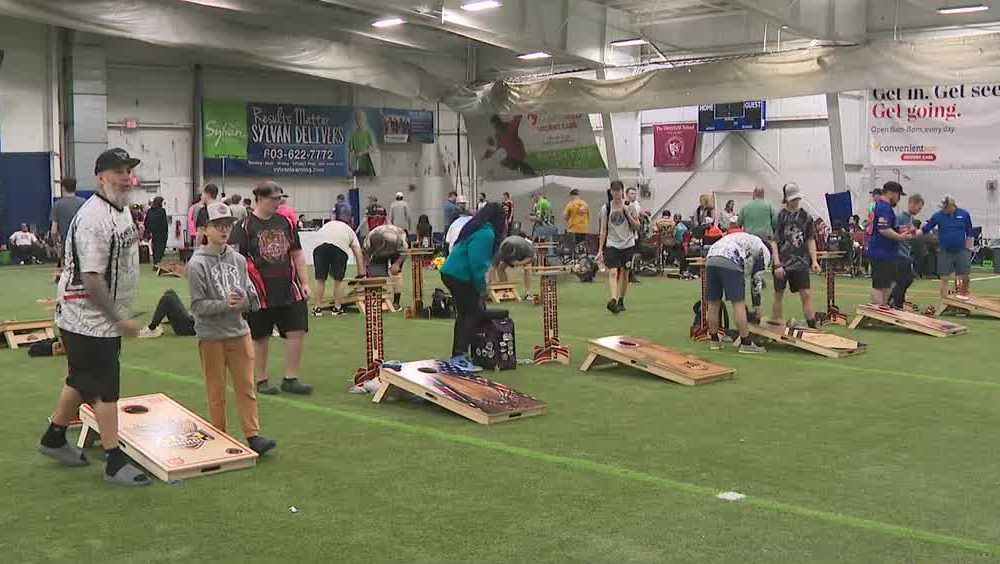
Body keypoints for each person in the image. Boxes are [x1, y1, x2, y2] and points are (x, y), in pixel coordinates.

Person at [40, 147, 150, 486]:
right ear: (101, 177)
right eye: (118, 172)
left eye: (128, 171)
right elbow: (91, 278)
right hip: (87, 316)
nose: (126, 177)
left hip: (97, 315)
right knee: (104, 387)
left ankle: (54, 437)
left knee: (81, 378)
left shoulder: (122, 208)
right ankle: (114, 461)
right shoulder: (93, 218)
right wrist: (117, 319)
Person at [188, 202, 276, 455]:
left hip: (239, 332)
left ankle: (253, 435)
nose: (224, 230)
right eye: (218, 225)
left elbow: (252, 297)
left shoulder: (238, 260)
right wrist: (224, 305)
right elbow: (197, 306)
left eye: (227, 225)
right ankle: (220, 435)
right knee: (216, 390)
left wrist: (242, 302)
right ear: (205, 229)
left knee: (247, 387)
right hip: (211, 336)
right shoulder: (196, 264)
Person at [229, 181, 313, 396]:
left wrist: (304, 283)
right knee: (260, 336)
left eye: (279, 199)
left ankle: (291, 378)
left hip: (289, 287)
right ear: (259, 198)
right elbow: (235, 260)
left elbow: (297, 254)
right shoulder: (244, 226)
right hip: (259, 291)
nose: (278, 203)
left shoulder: (286, 222)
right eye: (273, 199)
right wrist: (239, 290)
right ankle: (261, 379)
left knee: (297, 330)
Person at [439, 203, 508, 371]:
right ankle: (459, 356)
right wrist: (482, 289)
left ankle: (458, 355)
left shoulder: (476, 227)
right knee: (472, 314)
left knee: (465, 314)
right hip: (460, 276)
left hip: (451, 273)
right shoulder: (486, 233)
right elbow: (477, 265)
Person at [704, 232, 771, 354]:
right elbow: (756, 280)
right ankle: (746, 343)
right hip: (730, 258)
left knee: (713, 303)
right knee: (738, 303)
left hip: (711, 258)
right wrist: (757, 307)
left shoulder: (747, 239)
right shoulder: (764, 251)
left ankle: (714, 341)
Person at [769, 183, 821, 328]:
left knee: (806, 294)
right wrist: (777, 263)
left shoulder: (806, 217)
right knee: (778, 294)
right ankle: (776, 324)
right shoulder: (780, 216)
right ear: (786, 199)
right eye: (792, 199)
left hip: (801, 262)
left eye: (797, 198)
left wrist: (814, 261)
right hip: (782, 262)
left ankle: (811, 324)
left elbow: (810, 239)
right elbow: (774, 241)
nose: (795, 201)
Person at [922, 195, 974, 311]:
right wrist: (915, 232)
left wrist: (969, 248)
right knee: (944, 277)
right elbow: (926, 228)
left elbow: (969, 231)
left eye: (945, 208)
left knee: (964, 276)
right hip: (945, 251)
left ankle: (963, 302)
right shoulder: (938, 215)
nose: (944, 210)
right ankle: (945, 302)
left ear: (952, 206)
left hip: (962, 250)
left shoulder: (964, 214)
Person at [866, 182, 912, 306]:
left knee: (887, 284)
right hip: (880, 251)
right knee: (879, 285)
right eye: (898, 196)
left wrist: (901, 230)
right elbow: (883, 229)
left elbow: (887, 227)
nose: (899, 199)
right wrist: (900, 237)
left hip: (886, 252)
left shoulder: (882, 207)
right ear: (892, 193)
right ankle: (877, 311)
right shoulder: (884, 208)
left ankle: (883, 308)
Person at [597, 181, 639, 314]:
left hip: (628, 243)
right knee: (613, 272)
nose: (616, 194)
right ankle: (613, 299)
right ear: (611, 192)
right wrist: (600, 249)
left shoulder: (630, 206)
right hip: (612, 244)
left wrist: (627, 213)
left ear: (622, 191)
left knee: (625, 273)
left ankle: (621, 299)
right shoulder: (606, 208)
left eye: (618, 191)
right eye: (614, 191)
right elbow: (603, 230)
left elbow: (637, 226)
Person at [312, 218, 366, 316]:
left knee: (320, 279)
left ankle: (317, 308)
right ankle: (337, 308)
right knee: (339, 280)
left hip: (319, 247)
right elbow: (358, 252)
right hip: (339, 248)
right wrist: (361, 274)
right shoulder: (351, 231)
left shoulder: (329, 224)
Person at [738, 187, 776, 316]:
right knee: (757, 276)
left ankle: (741, 305)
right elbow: (775, 223)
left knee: (744, 274)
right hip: (764, 244)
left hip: (748, 243)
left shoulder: (745, 207)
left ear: (753, 194)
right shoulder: (769, 206)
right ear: (763, 194)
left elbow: (738, 223)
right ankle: (757, 309)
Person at [889, 194, 925, 309]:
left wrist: (914, 233)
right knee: (904, 279)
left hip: (906, 252)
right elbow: (893, 232)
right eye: (918, 208)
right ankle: (896, 302)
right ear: (912, 203)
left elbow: (910, 235)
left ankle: (896, 300)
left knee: (907, 279)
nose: (919, 211)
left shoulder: (911, 219)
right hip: (898, 252)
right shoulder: (900, 218)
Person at [365, 224, 409, 310]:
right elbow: (365, 253)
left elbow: (405, 251)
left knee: (396, 273)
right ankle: (378, 299)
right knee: (375, 273)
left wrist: (397, 264)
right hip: (380, 250)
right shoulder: (367, 241)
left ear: (384, 242)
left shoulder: (397, 238)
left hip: (396, 249)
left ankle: (396, 303)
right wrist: (367, 265)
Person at [49, 177, 85, 266]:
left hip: (66, 244)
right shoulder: (84, 203)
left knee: (67, 270)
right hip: (83, 244)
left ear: (63, 188)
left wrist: (56, 245)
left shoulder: (58, 205)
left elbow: (54, 231)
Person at [488, 235, 535, 301]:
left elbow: (532, 258)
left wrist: (520, 263)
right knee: (501, 268)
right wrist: (493, 282)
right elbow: (493, 267)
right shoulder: (500, 251)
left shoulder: (524, 246)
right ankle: (505, 289)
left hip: (523, 255)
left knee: (527, 268)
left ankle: (528, 293)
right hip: (510, 252)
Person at [349, 110, 376, 177]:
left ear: (365, 119)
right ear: (355, 120)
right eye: (357, 118)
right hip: (356, 166)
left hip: (367, 166)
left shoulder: (368, 133)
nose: (359, 120)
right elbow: (350, 152)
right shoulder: (353, 134)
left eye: (361, 118)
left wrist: (362, 152)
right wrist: (350, 165)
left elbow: (373, 148)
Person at [144, 196, 169, 266]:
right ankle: (158, 261)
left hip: (153, 233)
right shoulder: (162, 211)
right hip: (161, 233)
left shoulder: (149, 211)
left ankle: (156, 262)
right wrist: (166, 232)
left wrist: (148, 231)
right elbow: (164, 223)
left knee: (155, 247)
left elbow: (146, 222)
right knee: (160, 248)